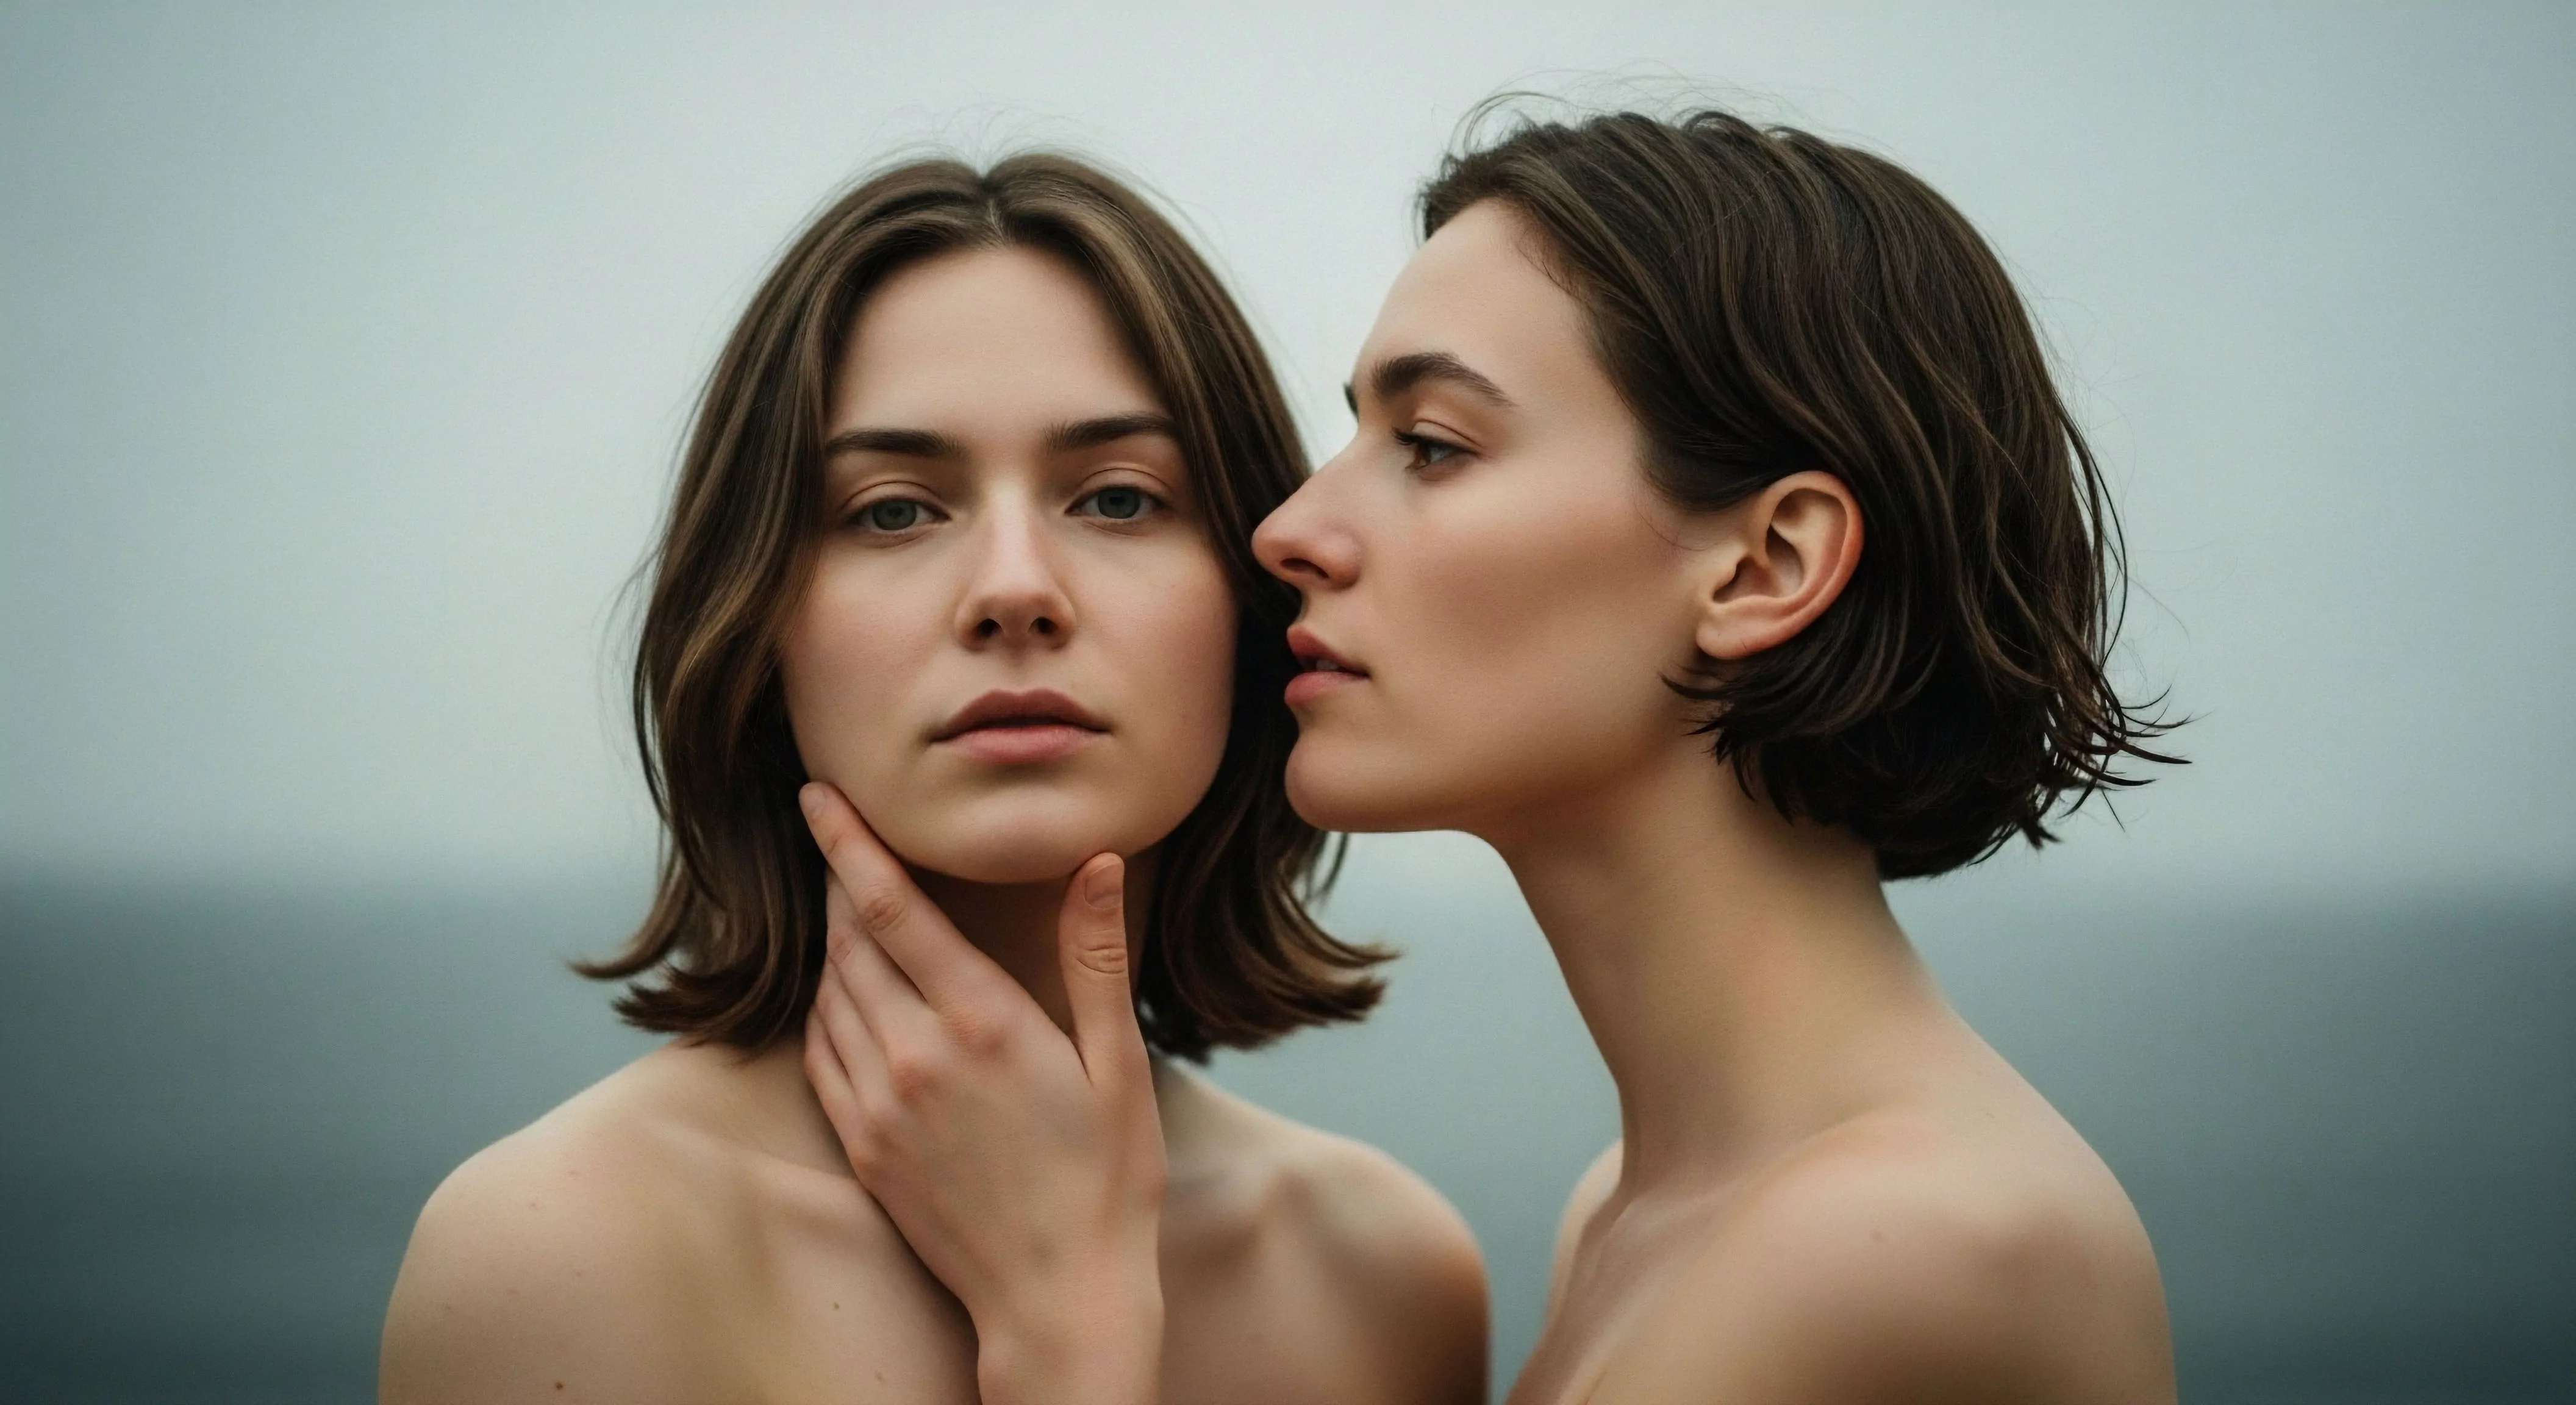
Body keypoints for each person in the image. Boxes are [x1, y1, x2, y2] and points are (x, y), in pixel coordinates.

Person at [800, 106, 2184, 1403]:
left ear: (1767, 564)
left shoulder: (1900, 1246)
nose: (1288, 529)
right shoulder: (1631, 1215)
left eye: (1435, 445)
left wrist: (1073, 1327)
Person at [377, 154, 1487, 1405]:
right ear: (755, 623)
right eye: (894, 512)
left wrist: (1076, 1320)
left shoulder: (1382, 1279)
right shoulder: (560, 1256)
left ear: (1252, 597)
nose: (1014, 588)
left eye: (1119, 499)